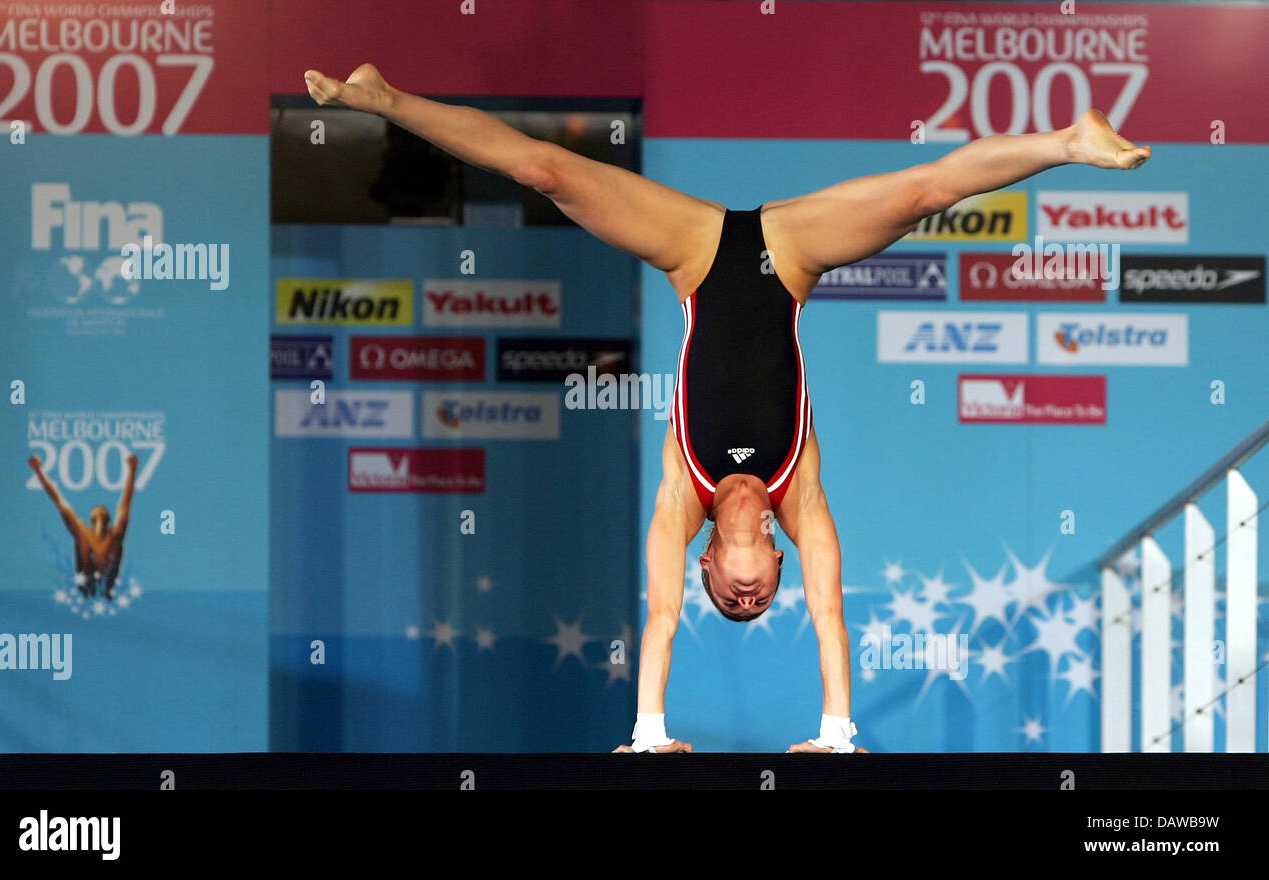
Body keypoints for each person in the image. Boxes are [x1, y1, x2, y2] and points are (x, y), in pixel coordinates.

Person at [304, 63, 1150, 753]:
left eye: (730, 599)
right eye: (758, 600)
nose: (747, 595)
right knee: (925, 193)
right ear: (774, 566)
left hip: (695, 256)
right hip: (787, 260)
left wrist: (647, 733)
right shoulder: (802, 496)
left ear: (710, 568)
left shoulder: (682, 501)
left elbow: (661, 619)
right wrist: (836, 734)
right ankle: (1069, 141)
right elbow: (830, 616)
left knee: (544, 170)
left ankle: (385, 101)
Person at [29, 453, 138, 600]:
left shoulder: (115, 534)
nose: (100, 512)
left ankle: (101, 593)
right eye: (97, 513)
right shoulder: (83, 533)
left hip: (104, 591)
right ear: (92, 520)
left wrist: (132, 469)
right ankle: (93, 592)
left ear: (107, 520)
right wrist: (38, 471)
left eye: (102, 513)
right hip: (87, 590)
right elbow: (58, 501)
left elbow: (125, 505)